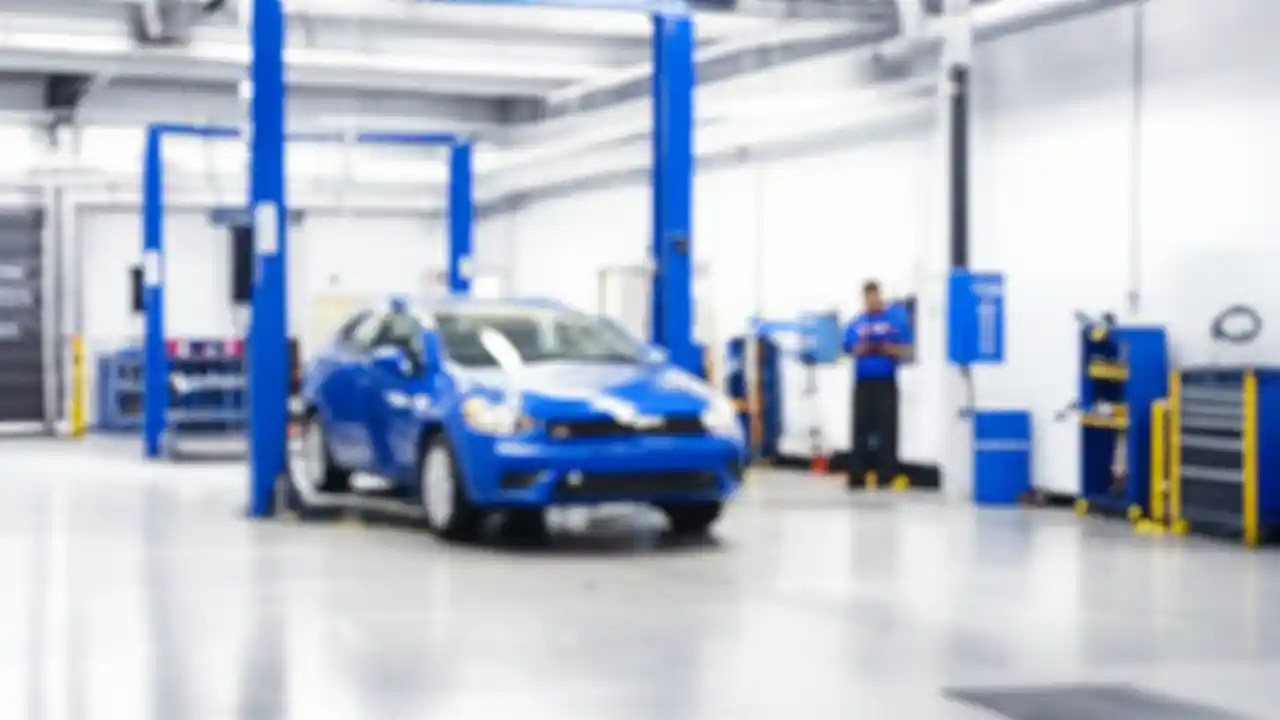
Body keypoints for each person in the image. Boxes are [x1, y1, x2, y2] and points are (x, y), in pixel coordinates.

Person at [843, 280, 911, 491]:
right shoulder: (857, 322)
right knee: (860, 428)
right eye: (866, 298)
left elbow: (907, 349)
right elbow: (847, 348)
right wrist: (860, 349)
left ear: (879, 295)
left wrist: (889, 349)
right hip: (863, 382)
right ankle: (857, 474)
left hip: (885, 382)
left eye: (873, 297)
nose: (870, 302)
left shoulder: (895, 319)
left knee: (887, 428)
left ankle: (886, 474)